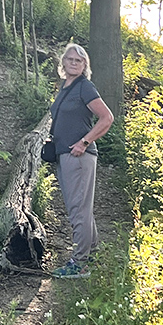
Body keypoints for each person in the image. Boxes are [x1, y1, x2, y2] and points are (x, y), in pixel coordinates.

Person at [50, 43, 114, 279]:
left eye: (79, 60)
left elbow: (106, 118)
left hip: (79, 156)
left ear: (85, 65)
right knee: (80, 208)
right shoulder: (66, 86)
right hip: (64, 155)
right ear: (63, 62)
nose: (73, 63)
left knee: (78, 209)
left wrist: (84, 142)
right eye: (70, 59)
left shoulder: (85, 87)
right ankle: (93, 252)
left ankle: (80, 263)